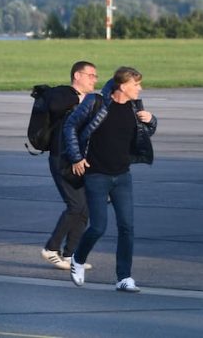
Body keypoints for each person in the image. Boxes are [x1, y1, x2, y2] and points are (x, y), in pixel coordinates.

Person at [63, 66, 156, 293]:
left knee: (127, 227)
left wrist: (152, 121)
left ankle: (124, 277)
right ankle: (78, 258)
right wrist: (76, 157)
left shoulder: (135, 107)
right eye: (136, 84)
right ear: (123, 86)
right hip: (97, 175)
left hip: (122, 176)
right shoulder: (96, 103)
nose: (140, 88)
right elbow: (70, 126)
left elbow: (144, 134)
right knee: (98, 227)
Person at [40, 60, 99, 270]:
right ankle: (51, 248)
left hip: (79, 160)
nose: (95, 79)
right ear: (77, 76)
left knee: (84, 209)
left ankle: (71, 255)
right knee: (75, 205)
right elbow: (54, 105)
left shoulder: (88, 100)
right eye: (91, 75)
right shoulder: (65, 96)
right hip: (61, 159)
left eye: (96, 76)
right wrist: (78, 99)